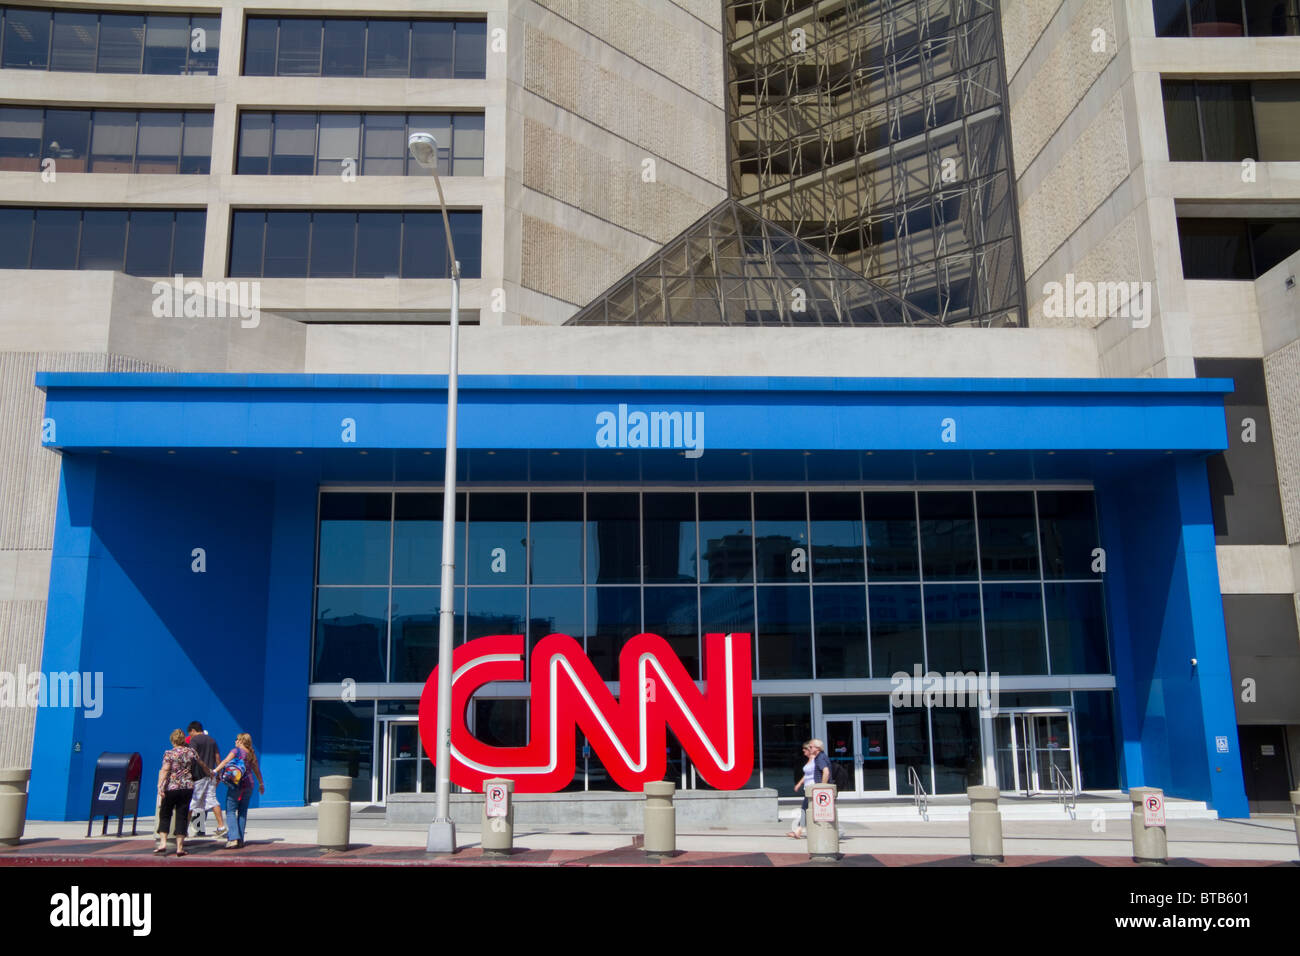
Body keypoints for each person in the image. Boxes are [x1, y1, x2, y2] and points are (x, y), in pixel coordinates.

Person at [155, 728, 208, 857]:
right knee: (182, 816)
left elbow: (165, 770)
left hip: (171, 788)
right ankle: (180, 847)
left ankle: (163, 843)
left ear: (172, 740)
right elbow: (201, 764)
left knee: (165, 814)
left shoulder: (169, 753)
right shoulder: (190, 752)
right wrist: (210, 772)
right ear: (183, 739)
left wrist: (159, 786)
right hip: (187, 787)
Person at [211, 732, 264, 849]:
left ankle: (233, 838)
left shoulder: (236, 751)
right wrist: (261, 783)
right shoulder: (251, 754)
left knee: (230, 811)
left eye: (236, 739)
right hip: (249, 784)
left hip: (236, 784)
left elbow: (224, 762)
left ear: (241, 740)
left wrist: (215, 771)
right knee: (242, 812)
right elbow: (257, 770)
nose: (235, 741)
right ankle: (240, 840)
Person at [184, 720, 226, 839]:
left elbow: (192, 756)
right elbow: (217, 757)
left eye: (190, 733)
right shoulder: (212, 740)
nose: (190, 736)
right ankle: (221, 826)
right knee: (212, 800)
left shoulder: (194, 740)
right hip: (211, 774)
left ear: (193, 730)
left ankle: (184, 829)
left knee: (192, 803)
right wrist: (218, 773)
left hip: (198, 775)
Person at [787, 738, 831, 838]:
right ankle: (803, 830)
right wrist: (799, 784)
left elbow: (826, 771)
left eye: (808, 748)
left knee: (805, 809)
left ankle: (799, 830)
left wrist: (822, 787)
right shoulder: (814, 759)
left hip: (814, 788)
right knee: (809, 810)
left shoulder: (818, 758)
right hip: (810, 789)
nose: (804, 751)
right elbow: (807, 774)